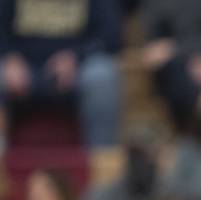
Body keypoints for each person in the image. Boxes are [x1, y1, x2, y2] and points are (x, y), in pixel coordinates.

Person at [0, 0, 122, 147]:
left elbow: (111, 36)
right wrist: (8, 56)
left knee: (102, 74)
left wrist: (77, 57)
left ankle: (102, 158)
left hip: (78, 70)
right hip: (21, 69)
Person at [139, 0, 201, 130]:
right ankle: (199, 133)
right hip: (174, 67)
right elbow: (154, 36)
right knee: (178, 77)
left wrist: (179, 49)